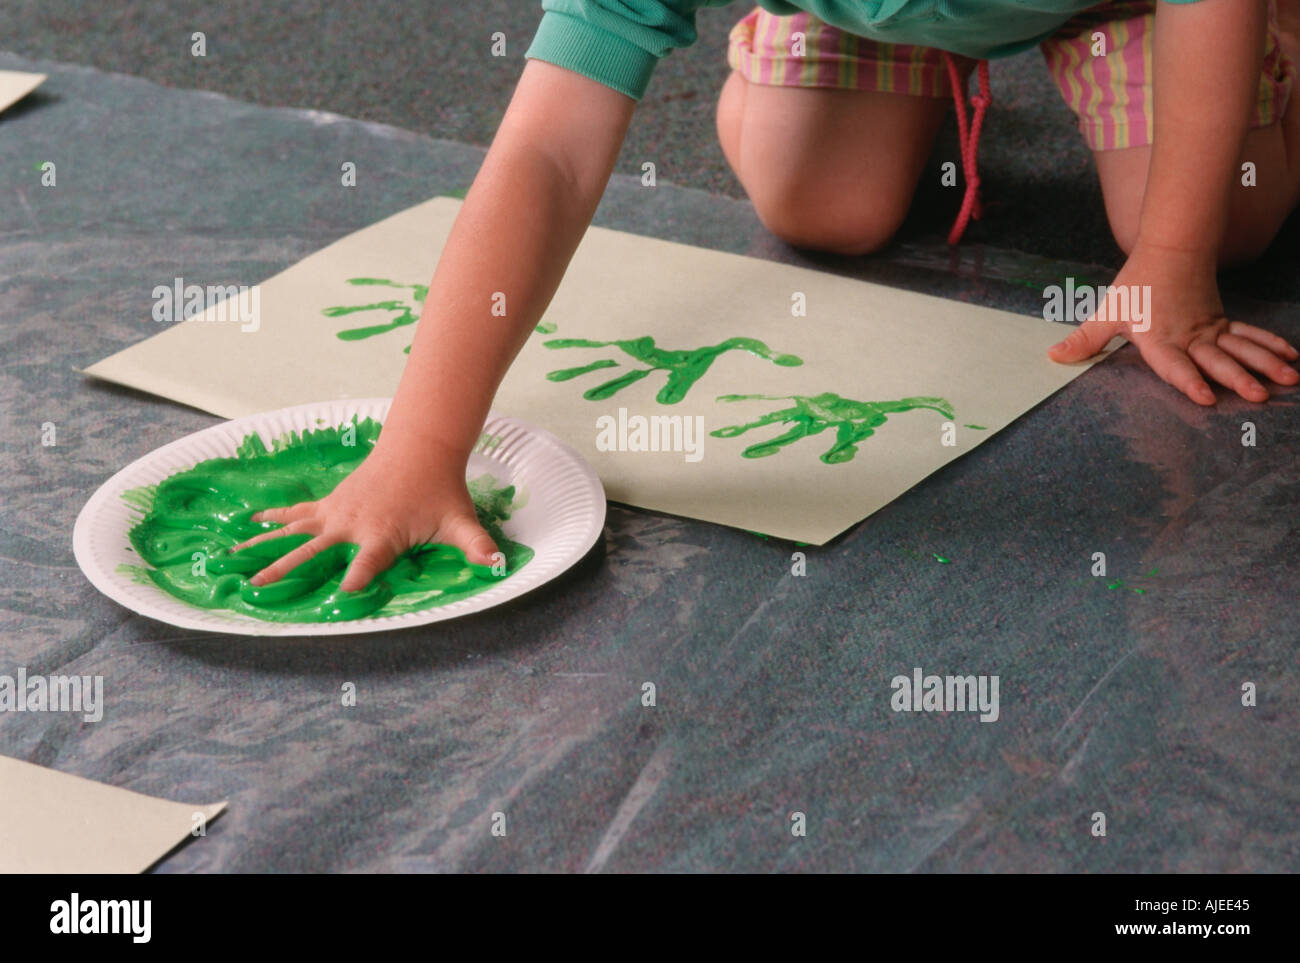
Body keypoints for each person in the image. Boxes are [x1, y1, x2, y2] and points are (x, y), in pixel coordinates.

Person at [236, 0, 1300, 592]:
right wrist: (421, 450)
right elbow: (549, 156)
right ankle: (888, 48)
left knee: (1230, 219)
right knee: (820, 204)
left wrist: (1170, 258)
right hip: (873, 16)